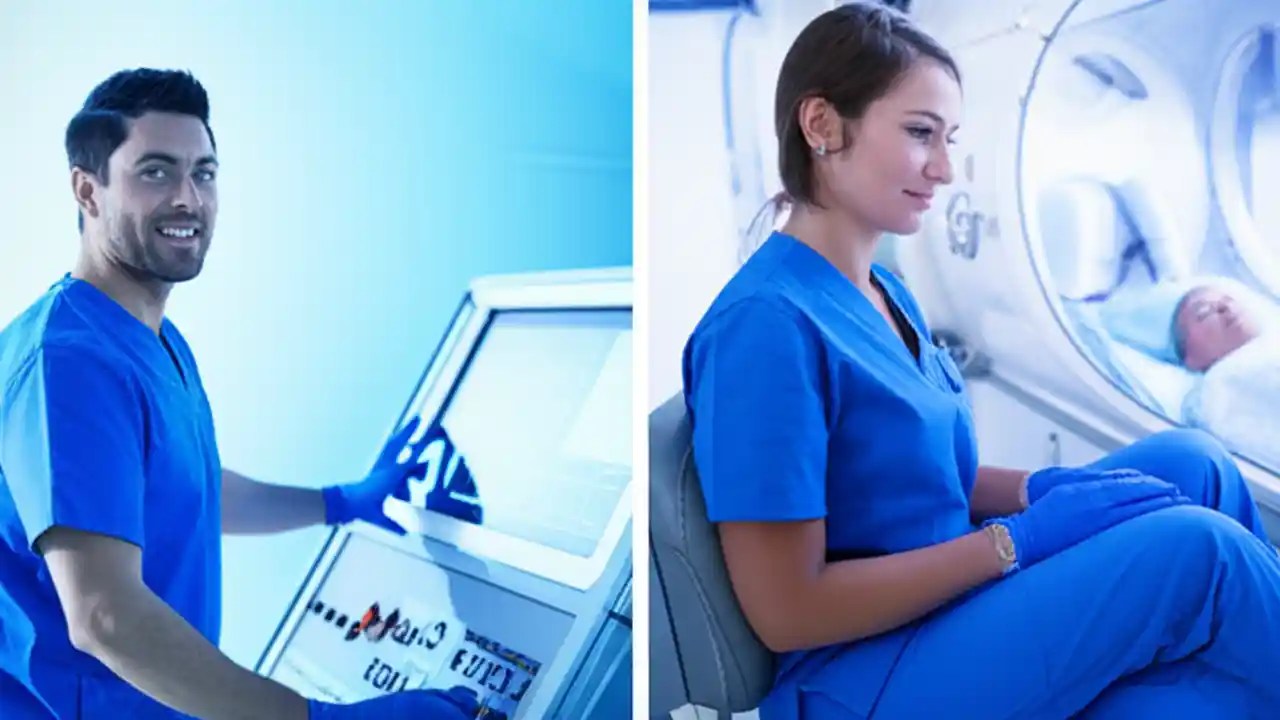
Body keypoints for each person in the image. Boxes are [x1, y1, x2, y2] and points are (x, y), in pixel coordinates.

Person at [682, 4, 1280, 718]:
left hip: (945, 599)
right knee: (1200, 552)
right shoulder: (764, 328)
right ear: (821, 125)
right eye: (920, 133)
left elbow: (912, 472)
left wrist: (1036, 488)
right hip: (867, 668)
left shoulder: (884, 289)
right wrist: (1013, 541)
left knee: (1196, 461)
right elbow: (788, 611)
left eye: (950, 139)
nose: (944, 169)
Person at [0, 69, 477, 719]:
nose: (187, 199)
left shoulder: (156, 340)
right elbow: (105, 618)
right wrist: (317, 719)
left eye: (204, 173)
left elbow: (184, 491)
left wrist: (340, 502)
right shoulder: (67, 360)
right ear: (88, 190)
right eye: (156, 172)